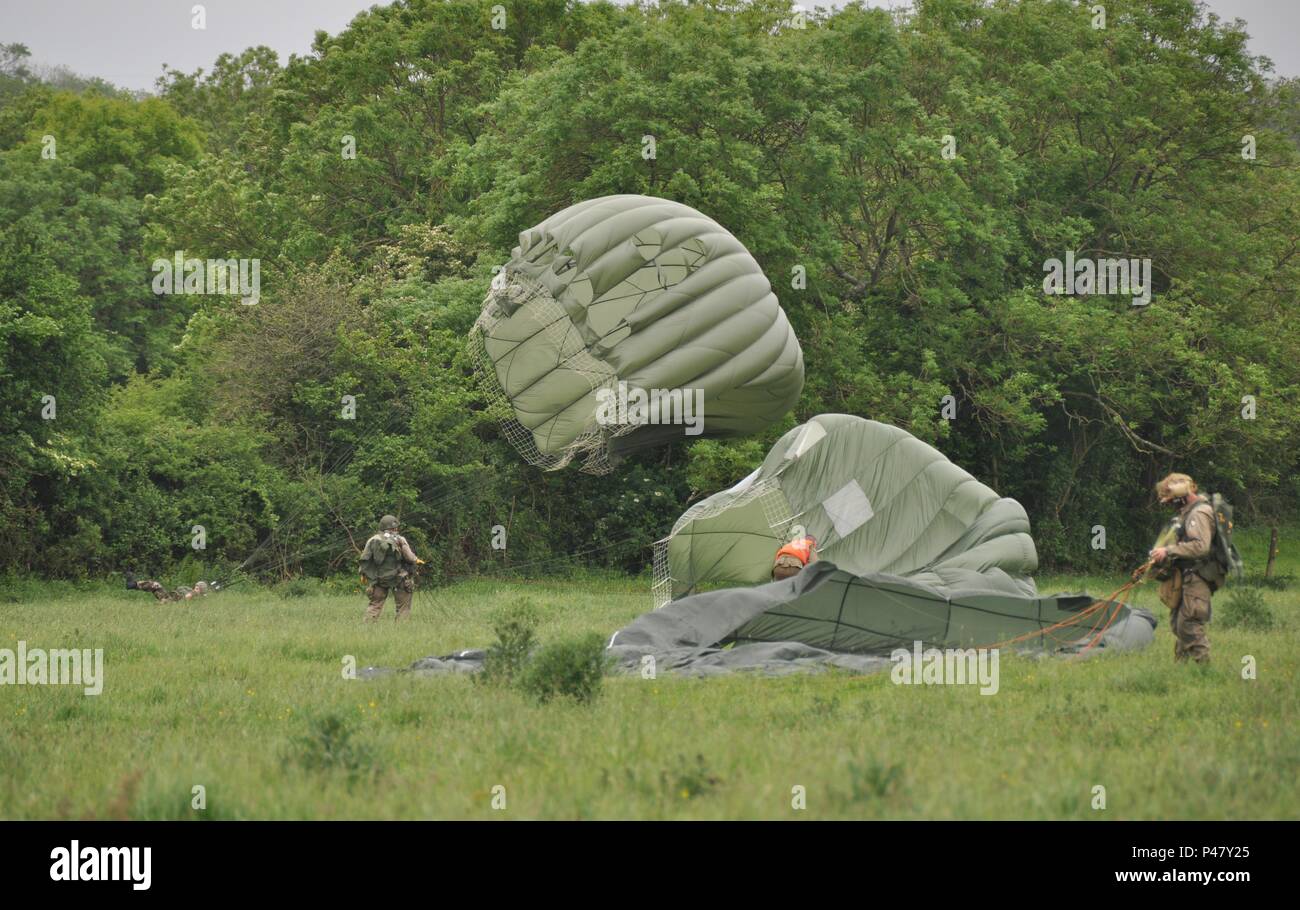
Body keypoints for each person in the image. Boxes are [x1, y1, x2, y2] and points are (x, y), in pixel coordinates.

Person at [1149, 473, 1220, 664]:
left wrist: (1168, 550)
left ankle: (1203, 669)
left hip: (1198, 575)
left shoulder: (1199, 513)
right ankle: (1182, 666)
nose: (1169, 504)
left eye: (1171, 500)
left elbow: (1200, 546)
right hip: (1185, 575)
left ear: (1181, 496)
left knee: (1189, 624)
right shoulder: (1187, 513)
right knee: (1178, 624)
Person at [359, 514, 424, 623]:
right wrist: (416, 560)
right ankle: (401, 631)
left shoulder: (372, 540)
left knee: (375, 605)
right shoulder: (400, 539)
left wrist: (363, 574)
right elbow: (410, 557)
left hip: (379, 579)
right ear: (395, 528)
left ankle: (367, 628)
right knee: (403, 607)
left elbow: (364, 559)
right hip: (400, 578)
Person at [126, 573, 215, 603]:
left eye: (198, 588)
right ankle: (133, 585)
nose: (196, 588)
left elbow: (187, 598)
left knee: (165, 602)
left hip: (172, 601)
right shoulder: (190, 590)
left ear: (201, 591)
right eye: (196, 586)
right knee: (155, 584)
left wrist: (196, 594)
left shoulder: (196, 597)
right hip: (168, 595)